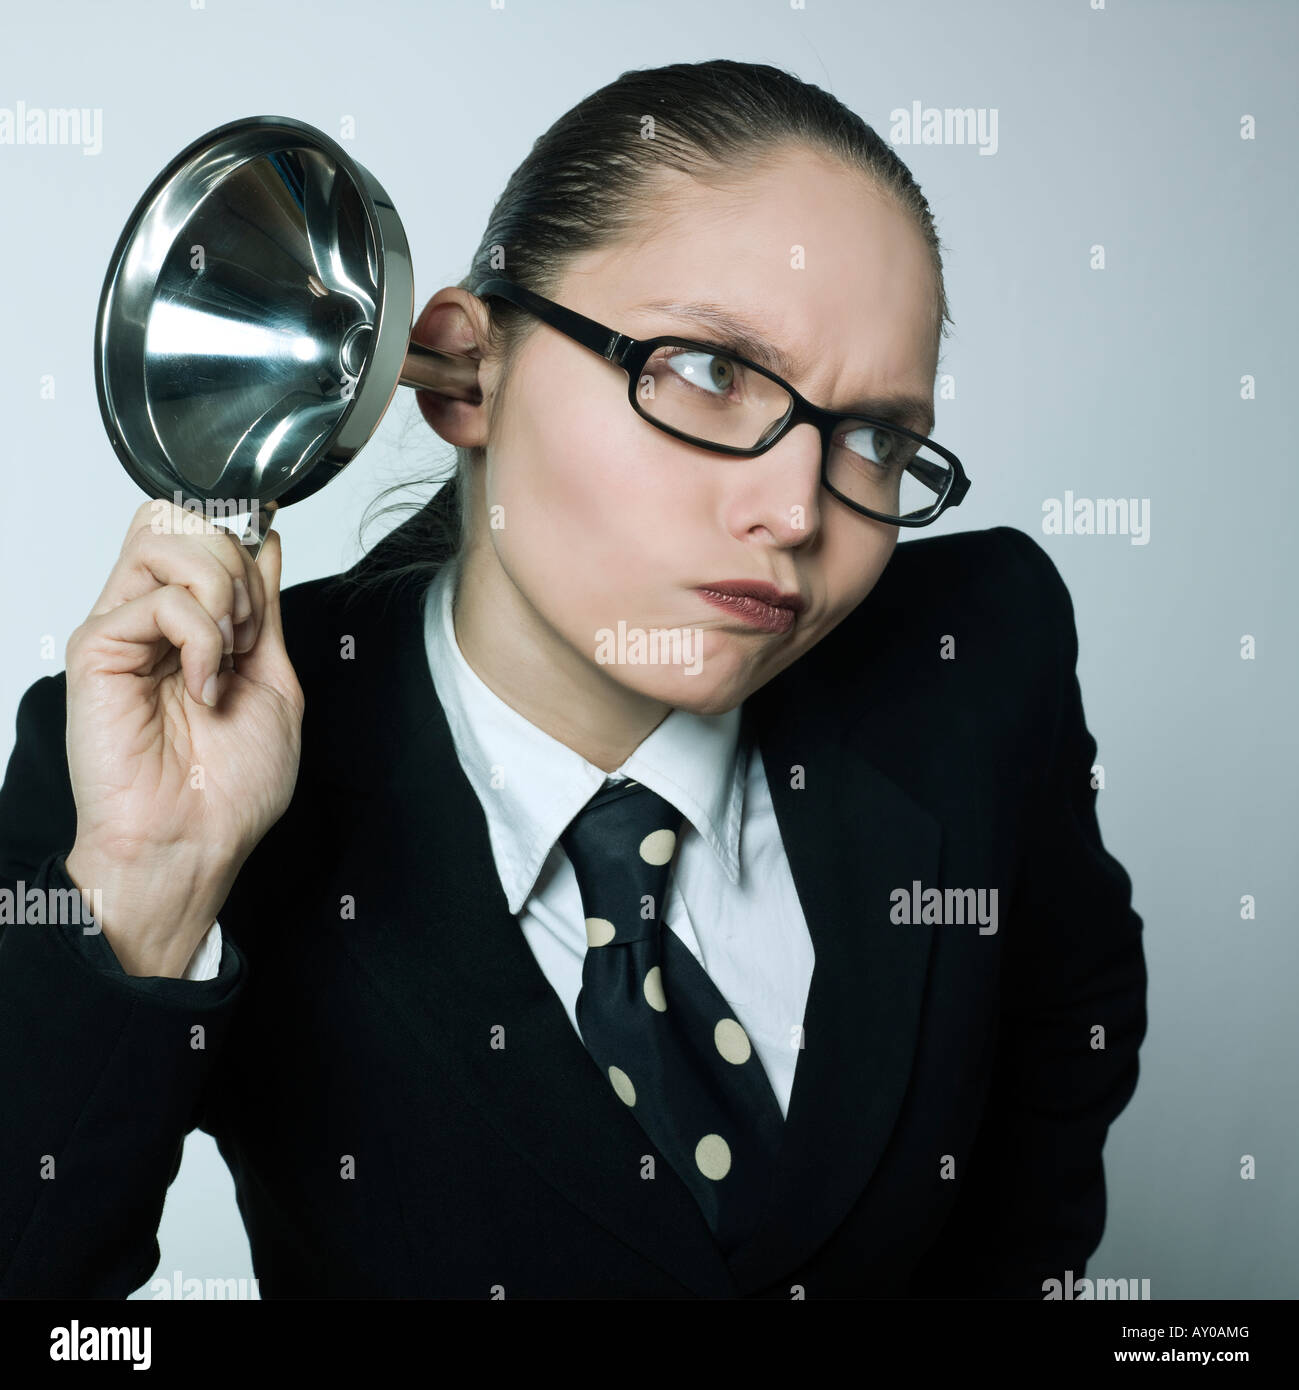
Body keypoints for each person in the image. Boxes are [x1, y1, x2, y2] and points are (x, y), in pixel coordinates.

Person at [0, 59, 1146, 1299]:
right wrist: (150, 890)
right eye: (710, 370)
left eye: (874, 436)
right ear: (466, 369)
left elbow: (1059, 1071)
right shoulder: (159, 752)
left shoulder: (976, 660)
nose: (794, 509)